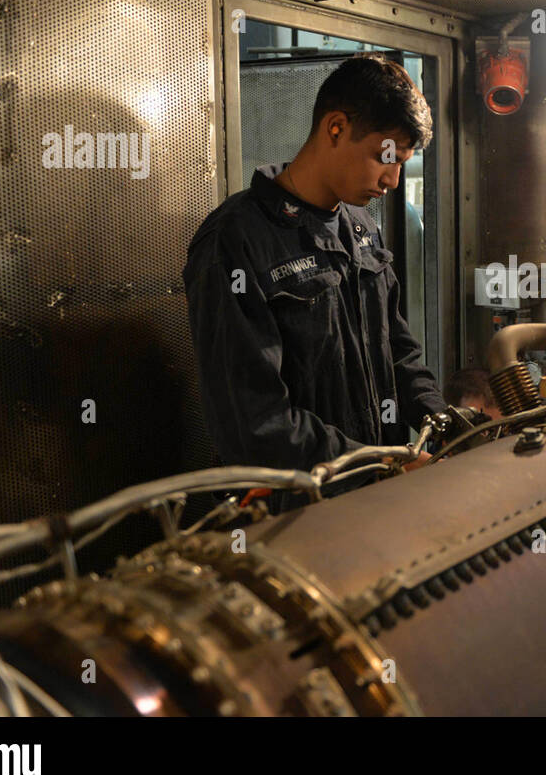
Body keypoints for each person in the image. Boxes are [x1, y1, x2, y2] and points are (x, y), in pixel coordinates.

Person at [183, 53, 446, 480]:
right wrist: (381, 461)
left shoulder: (361, 226)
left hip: (379, 492)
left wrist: (444, 421)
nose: (393, 180)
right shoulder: (236, 239)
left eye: (402, 162)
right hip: (298, 503)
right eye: (386, 157)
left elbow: (398, 351)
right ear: (336, 128)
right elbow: (254, 424)